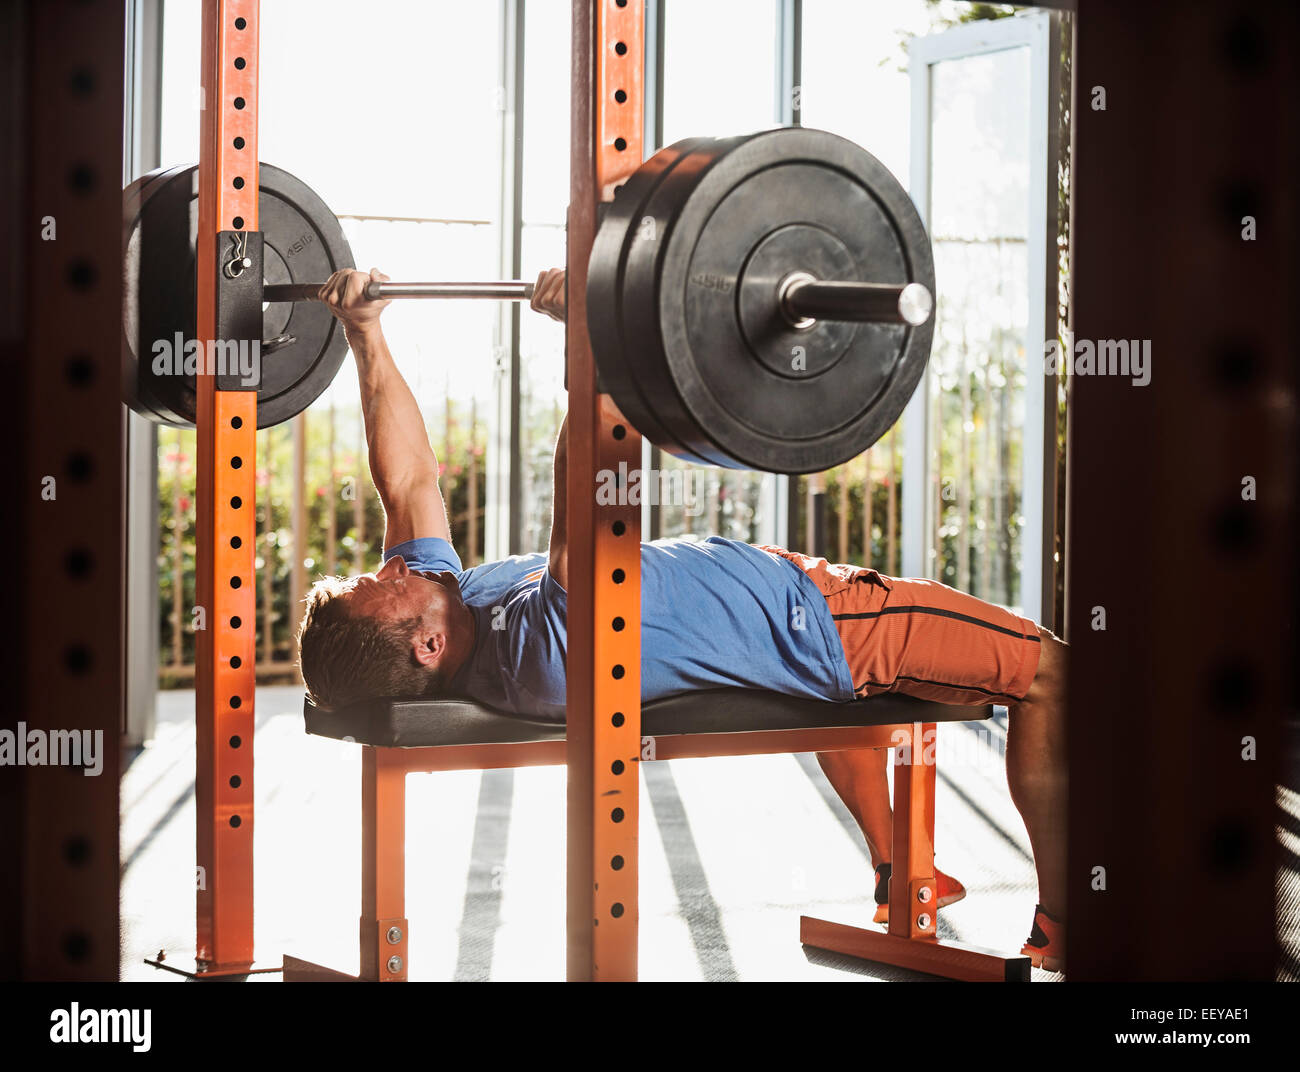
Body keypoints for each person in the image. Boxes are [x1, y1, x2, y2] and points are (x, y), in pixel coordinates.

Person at [296, 266, 1068, 972]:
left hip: (779, 612)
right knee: (1052, 675)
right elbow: (584, 495)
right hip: (825, 624)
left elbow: (406, 483)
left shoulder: (447, 610)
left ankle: (899, 869)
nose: (394, 565)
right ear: (427, 646)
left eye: (380, 567)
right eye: (384, 583)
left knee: (871, 705)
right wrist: (590, 346)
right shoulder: (541, 655)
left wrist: (366, 335)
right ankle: (1066, 923)